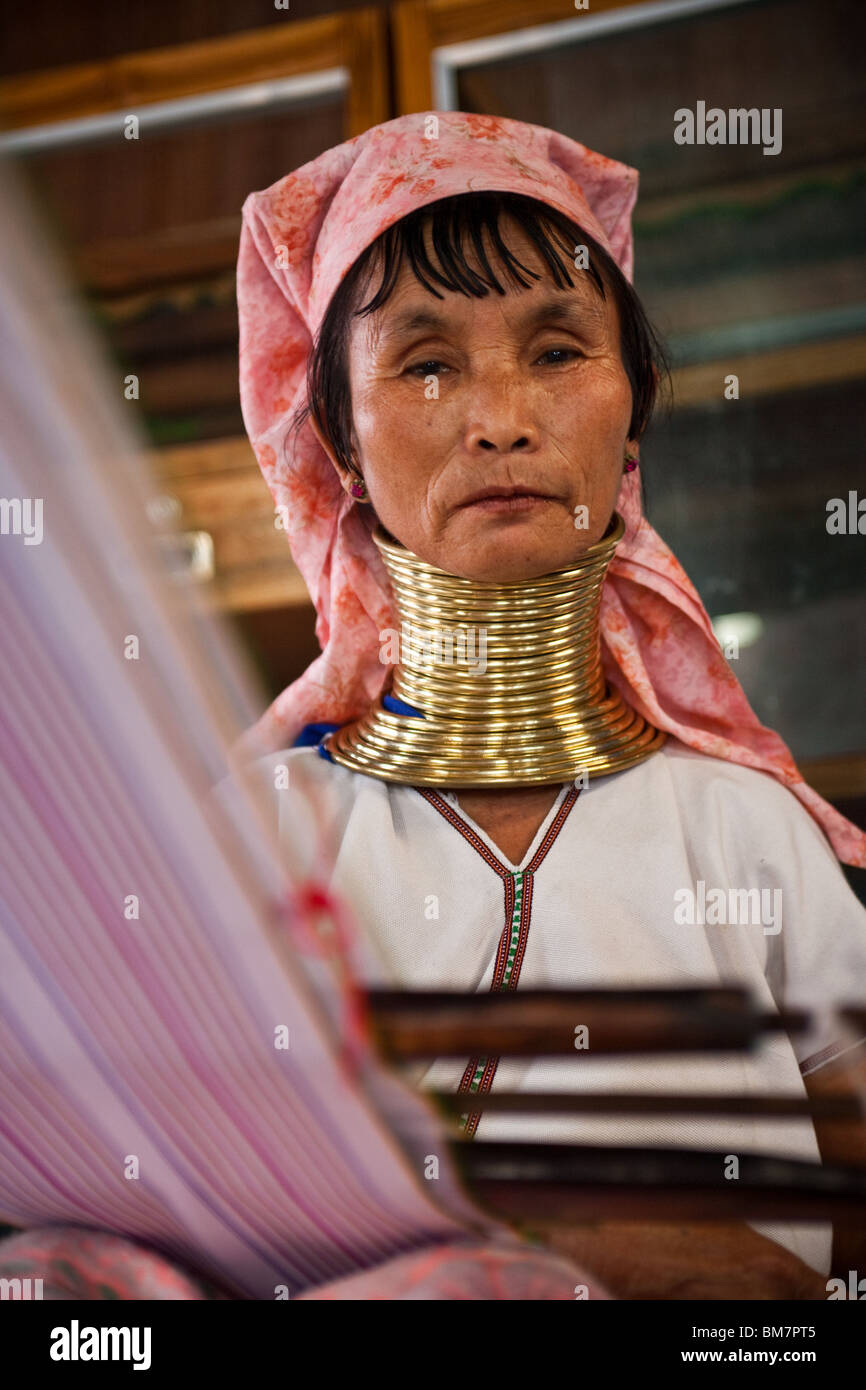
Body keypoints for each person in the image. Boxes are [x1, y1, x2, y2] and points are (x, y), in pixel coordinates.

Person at [229, 111, 866, 1300]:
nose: (500, 417)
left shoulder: (744, 833)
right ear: (340, 447)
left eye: (559, 350)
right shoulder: (248, 845)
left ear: (631, 416)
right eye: (425, 364)